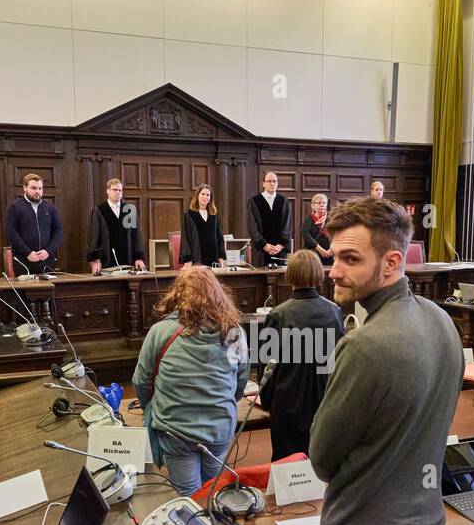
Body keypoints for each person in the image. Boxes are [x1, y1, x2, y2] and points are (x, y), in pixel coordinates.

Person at [308, 197, 464, 525]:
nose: (335, 270)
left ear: (392, 263)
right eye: (333, 257)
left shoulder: (366, 344)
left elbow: (323, 459)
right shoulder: (444, 323)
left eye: (351, 259)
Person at [133, 267, 249, 495]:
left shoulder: (160, 332)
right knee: (215, 493)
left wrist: (152, 406)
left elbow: (141, 382)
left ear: (177, 294)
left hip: (175, 428)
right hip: (219, 427)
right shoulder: (234, 333)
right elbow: (240, 382)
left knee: (189, 498)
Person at [258, 250, 344, 460]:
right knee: (321, 459)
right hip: (325, 398)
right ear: (318, 275)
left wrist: (267, 401)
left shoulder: (279, 314)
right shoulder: (334, 311)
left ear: (290, 275)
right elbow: (340, 358)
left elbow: (266, 366)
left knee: (288, 463)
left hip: (288, 401)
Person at [4, 173, 63, 275]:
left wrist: (48, 251)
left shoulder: (50, 207)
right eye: (33, 188)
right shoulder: (14, 207)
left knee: (48, 290)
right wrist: (28, 253)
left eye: (40, 188)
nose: (37, 192)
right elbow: (11, 233)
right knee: (25, 290)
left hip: (46, 259)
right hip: (23, 259)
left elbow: (58, 231)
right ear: (25, 188)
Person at [87, 178, 147, 274]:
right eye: (115, 190)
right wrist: (96, 260)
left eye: (120, 190)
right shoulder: (99, 210)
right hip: (106, 259)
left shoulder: (129, 210)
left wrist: (138, 258)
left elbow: (136, 236)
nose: (118, 192)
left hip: (127, 259)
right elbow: (94, 236)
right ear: (108, 191)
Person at [247, 171, 291, 266]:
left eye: (275, 181)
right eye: (269, 181)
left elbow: (287, 225)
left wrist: (280, 245)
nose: (272, 183)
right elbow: (252, 226)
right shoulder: (254, 201)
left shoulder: (283, 201)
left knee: (280, 278)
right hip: (261, 251)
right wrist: (264, 244)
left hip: (279, 250)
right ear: (263, 183)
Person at [180, 183, 225, 267]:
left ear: (210, 198)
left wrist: (221, 258)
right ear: (197, 196)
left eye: (208, 195)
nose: (205, 197)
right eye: (203, 194)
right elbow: (185, 238)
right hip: (197, 259)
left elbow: (219, 237)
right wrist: (188, 260)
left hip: (213, 260)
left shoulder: (214, 215)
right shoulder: (189, 215)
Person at [301, 193, 334, 261]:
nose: (322, 205)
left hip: (329, 255)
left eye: (324, 203)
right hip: (312, 256)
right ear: (313, 206)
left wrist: (332, 249)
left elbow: (337, 235)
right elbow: (307, 237)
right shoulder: (308, 220)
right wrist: (320, 250)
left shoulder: (331, 220)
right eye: (319, 203)